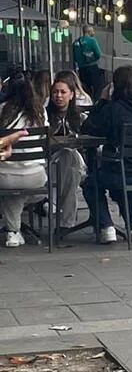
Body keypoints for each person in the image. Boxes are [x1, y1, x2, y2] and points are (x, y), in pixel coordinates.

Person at [83, 66, 132, 243]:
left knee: (91, 183)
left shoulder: (114, 109)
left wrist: (102, 101)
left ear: (115, 86)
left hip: (121, 170)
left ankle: (106, 227)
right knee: (119, 181)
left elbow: (89, 128)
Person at [0, 78, 47, 247]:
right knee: (21, 191)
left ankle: (12, 231)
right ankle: (13, 231)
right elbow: (44, 138)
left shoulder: (1, 110)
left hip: (4, 177)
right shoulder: (40, 112)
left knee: (12, 191)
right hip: (34, 177)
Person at [47, 71, 88, 232]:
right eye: (55, 92)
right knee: (70, 164)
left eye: (63, 92)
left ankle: (52, 202)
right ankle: (66, 221)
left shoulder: (80, 117)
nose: (58, 96)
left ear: (71, 95)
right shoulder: (44, 116)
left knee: (70, 156)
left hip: (77, 163)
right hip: (50, 164)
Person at [73, 25, 103, 100]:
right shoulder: (92, 40)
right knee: (96, 87)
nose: (94, 32)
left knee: (85, 87)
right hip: (92, 67)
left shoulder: (76, 42)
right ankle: (95, 102)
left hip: (81, 69)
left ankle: (86, 100)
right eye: (93, 31)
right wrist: (93, 60)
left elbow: (74, 58)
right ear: (89, 31)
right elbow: (98, 54)